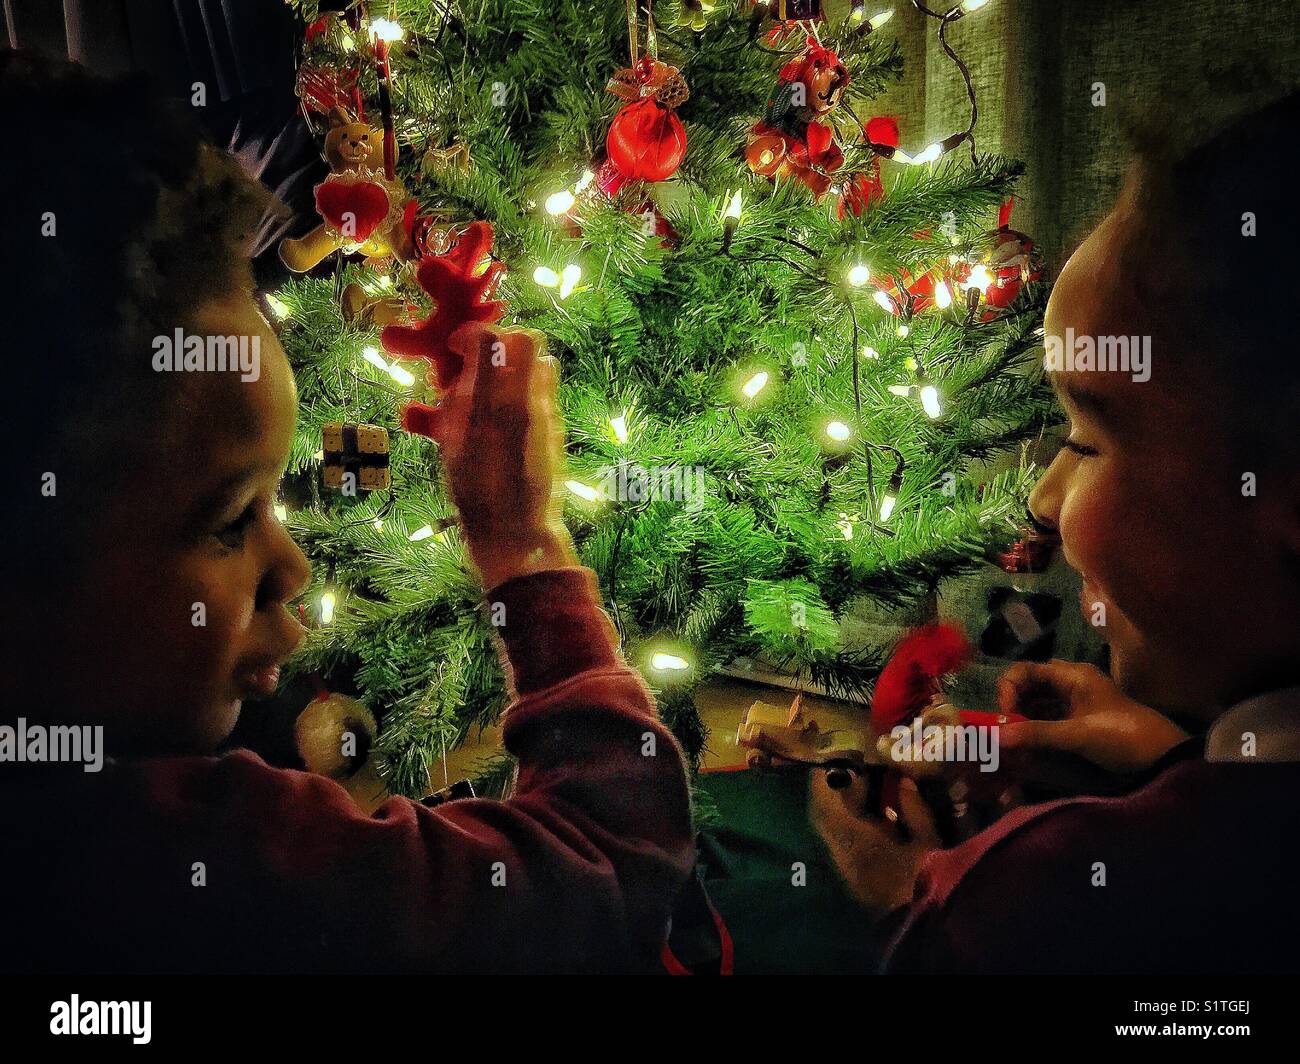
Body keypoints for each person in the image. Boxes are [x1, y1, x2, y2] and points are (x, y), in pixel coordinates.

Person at [0, 50, 692, 974]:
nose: (293, 568)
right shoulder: (189, 866)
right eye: (229, 518)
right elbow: (610, 866)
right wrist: (526, 548)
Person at [811, 92, 1300, 974]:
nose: (1041, 500)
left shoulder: (1040, 911)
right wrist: (1173, 754)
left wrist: (917, 901)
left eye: (1086, 438)